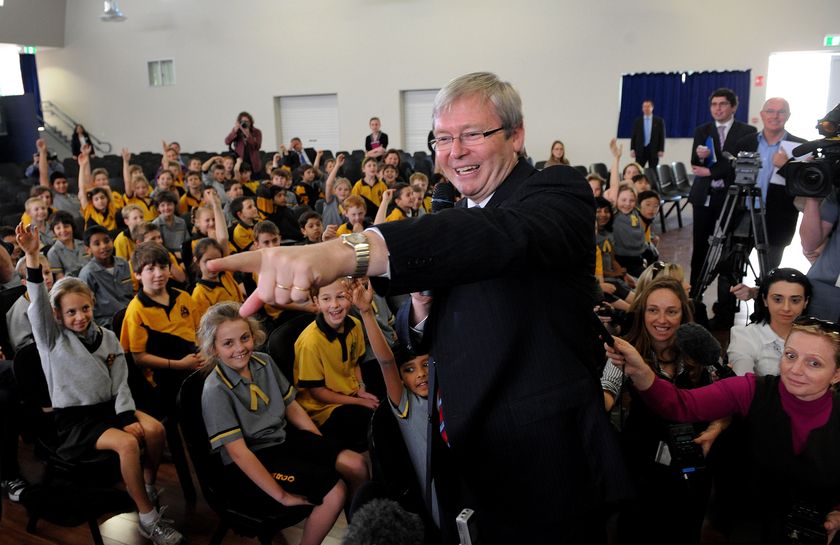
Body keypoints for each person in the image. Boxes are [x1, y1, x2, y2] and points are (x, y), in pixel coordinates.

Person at [208, 71, 628, 544]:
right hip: (467, 451)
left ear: (516, 135)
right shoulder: (457, 214)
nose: (455, 152)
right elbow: (431, 330)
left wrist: (345, 251)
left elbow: (499, 238)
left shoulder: (557, 192)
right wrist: (422, 308)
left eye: (473, 134)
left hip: (545, 465)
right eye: (443, 138)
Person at [15, 223, 183, 545]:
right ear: (58, 315)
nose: (80, 317)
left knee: (156, 429)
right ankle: (148, 517)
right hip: (77, 420)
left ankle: (146, 485)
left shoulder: (106, 335)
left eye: (86, 308)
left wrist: (124, 416)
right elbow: (37, 304)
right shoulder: (51, 339)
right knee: (128, 443)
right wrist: (33, 255)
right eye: (71, 312)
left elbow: (120, 378)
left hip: (110, 410)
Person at [607, 316, 840, 544]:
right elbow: (681, 404)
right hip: (750, 526)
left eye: (814, 363)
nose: (795, 369)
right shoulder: (751, 389)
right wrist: (640, 371)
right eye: (790, 356)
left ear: (837, 373)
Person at [198, 302, 357, 545]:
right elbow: (239, 454)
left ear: (253, 335)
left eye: (245, 338)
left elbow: (292, 406)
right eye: (228, 343)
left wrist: (319, 444)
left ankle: (361, 533)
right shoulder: (215, 389)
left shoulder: (263, 362)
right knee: (335, 492)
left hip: (284, 440)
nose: (240, 348)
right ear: (214, 348)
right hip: (254, 458)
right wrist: (281, 495)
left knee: (356, 465)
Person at [601, 277, 719, 544]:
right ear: (643, 312)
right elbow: (607, 390)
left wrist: (715, 428)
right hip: (642, 479)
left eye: (671, 311)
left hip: (691, 475)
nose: (661, 319)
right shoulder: (624, 355)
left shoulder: (700, 353)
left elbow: (727, 398)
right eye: (653, 310)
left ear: (684, 314)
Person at [687, 88, 757, 308]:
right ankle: (693, 299)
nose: (717, 108)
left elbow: (740, 165)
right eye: (714, 104)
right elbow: (696, 165)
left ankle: (726, 304)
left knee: (729, 250)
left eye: (722, 104)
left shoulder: (747, 131)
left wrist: (712, 170)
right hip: (705, 197)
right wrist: (702, 159)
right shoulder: (703, 129)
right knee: (700, 248)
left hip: (732, 197)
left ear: (733, 106)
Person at [733, 98, 806, 271]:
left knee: (769, 274)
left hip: (778, 219)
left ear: (788, 116)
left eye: (781, 111)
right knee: (731, 270)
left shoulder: (800, 147)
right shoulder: (744, 143)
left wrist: (786, 166)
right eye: (770, 111)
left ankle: (762, 299)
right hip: (743, 215)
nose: (775, 116)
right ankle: (725, 300)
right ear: (762, 115)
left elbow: (805, 185)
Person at [729, 268, 811, 377]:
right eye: (777, 299)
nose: (786, 308)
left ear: (806, 302)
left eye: (795, 300)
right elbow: (743, 385)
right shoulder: (745, 336)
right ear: (765, 300)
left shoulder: (816, 337)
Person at [78, 226, 134, 328]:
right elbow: (87, 307)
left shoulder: (123, 263)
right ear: (88, 249)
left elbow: (131, 293)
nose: (103, 246)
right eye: (97, 244)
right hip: (107, 323)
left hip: (131, 314)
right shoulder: (88, 273)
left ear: (112, 241)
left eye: (106, 241)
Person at [630, 99, 666, 168]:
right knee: (638, 169)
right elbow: (634, 136)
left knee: (653, 171)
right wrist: (632, 149)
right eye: (644, 107)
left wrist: (661, 149)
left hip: (653, 150)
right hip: (640, 150)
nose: (646, 108)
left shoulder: (659, 121)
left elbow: (662, 136)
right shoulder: (638, 121)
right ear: (642, 108)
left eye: (648, 106)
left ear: (652, 108)